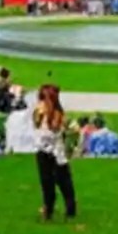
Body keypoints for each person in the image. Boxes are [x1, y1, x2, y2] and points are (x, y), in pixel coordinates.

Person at [34, 84, 76, 221]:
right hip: (42, 151)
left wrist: (47, 114)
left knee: (64, 182)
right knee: (46, 183)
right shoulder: (39, 112)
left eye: (43, 99)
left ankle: (70, 208)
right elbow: (36, 126)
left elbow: (54, 130)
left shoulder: (57, 114)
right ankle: (48, 208)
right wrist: (39, 115)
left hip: (56, 154)